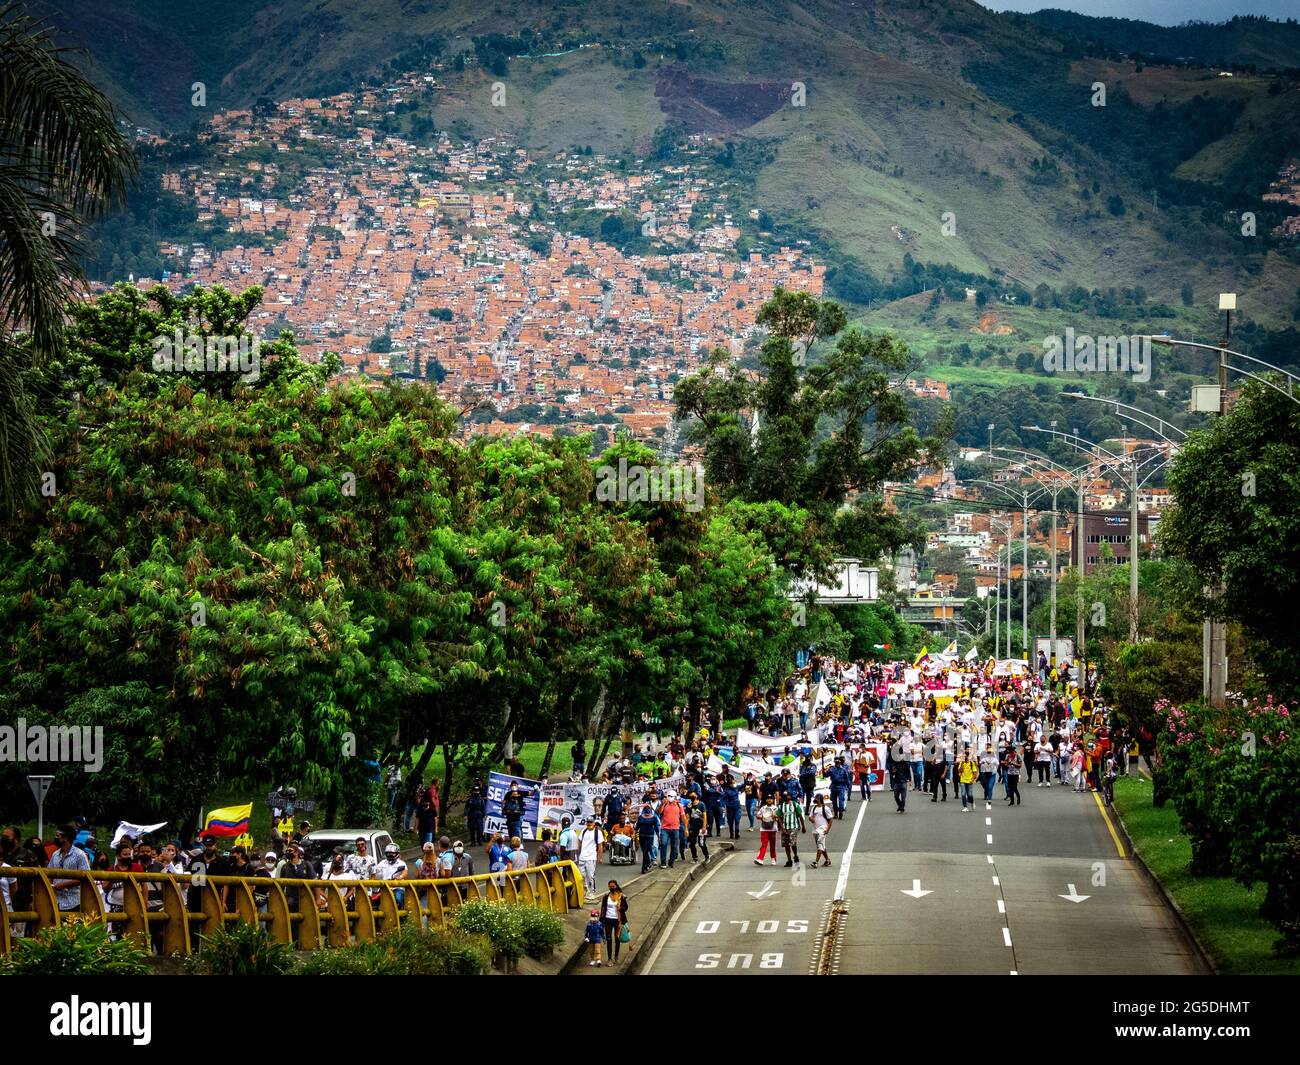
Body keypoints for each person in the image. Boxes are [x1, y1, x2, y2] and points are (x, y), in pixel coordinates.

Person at [47, 824, 91, 913]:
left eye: (57, 836)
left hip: (74, 901)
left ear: (65, 838)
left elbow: (86, 876)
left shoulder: (80, 855)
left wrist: (63, 885)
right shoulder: (55, 854)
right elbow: (49, 873)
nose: (55, 838)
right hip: (56, 901)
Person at [601, 880, 628, 965]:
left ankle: (616, 957)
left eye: (613, 886)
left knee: (617, 939)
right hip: (608, 920)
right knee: (609, 939)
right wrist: (601, 921)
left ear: (616, 886)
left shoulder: (621, 896)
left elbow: (626, 907)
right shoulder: (606, 897)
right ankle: (609, 959)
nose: (612, 888)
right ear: (608, 887)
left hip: (618, 920)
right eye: (610, 886)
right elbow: (603, 909)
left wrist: (620, 908)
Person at [777, 792, 806, 867]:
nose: (787, 797)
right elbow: (779, 817)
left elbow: (800, 815)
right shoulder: (781, 806)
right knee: (786, 844)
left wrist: (803, 826)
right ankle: (789, 860)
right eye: (786, 796)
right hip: (785, 827)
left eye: (788, 795)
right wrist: (781, 828)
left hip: (793, 826)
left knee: (792, 843)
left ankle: (795, 856)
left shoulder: (795, 804)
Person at [376, 843, 408, 908]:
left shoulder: (401, 863)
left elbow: (405, 872)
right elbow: (376, 873)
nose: (390, 855)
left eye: (392, 853)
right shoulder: (382, 863)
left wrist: (400, 877)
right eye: (388, 853)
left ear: (397, 853)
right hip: (384, 887)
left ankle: (401, 913)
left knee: (398, 899)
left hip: (397, 887)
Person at [656, 793, 682, 868]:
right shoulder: (664, 804)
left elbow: (683, 816)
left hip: (675, 828)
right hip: (665, 828)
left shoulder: (678, 805)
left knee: (674, 846)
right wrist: (662, 804)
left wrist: (685, 827)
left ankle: (671, 861)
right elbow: (658, 813)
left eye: (671, 796)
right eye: (669, 796)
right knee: (663, 844)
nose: (670, 798)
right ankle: (663, 863)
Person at [635, 804, 660, 874]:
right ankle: (648, 863)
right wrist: (635, 837)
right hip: (642, 836)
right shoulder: (640, 817)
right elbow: (637, 827)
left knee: (646, 851)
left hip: (650, 836)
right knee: (644, 852)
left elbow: (656, 828)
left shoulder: (654, 817)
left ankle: (643, 867)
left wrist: (658, 837)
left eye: (648, 808)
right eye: (646, 808)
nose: (647, 810)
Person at [809, 794, 833, 868]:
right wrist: (811, 819)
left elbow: (831, 819)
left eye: (817, 798)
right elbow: (810, 816)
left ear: (820, 799)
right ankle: (827, 860)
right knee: (821, 845)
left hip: (823, 829)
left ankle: (816, 862)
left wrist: (827, 829)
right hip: (816, 829)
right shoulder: (814, 808)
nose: (815, 799)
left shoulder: (826, 808)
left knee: (819, 844)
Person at [754, 798, 780, 866]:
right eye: (768, 799)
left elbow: (779, 817)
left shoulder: (775, 808)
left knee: (772, 845)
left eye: (770, 799)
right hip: (764, 829)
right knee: (764, 844)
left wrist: (775, 817)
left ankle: (773, 858)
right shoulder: (763, 808)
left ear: (773, 800)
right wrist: (760, 816)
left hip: (773, 829)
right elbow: (757, 816)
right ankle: (760, 859)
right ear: (766, 800)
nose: (769, 800)